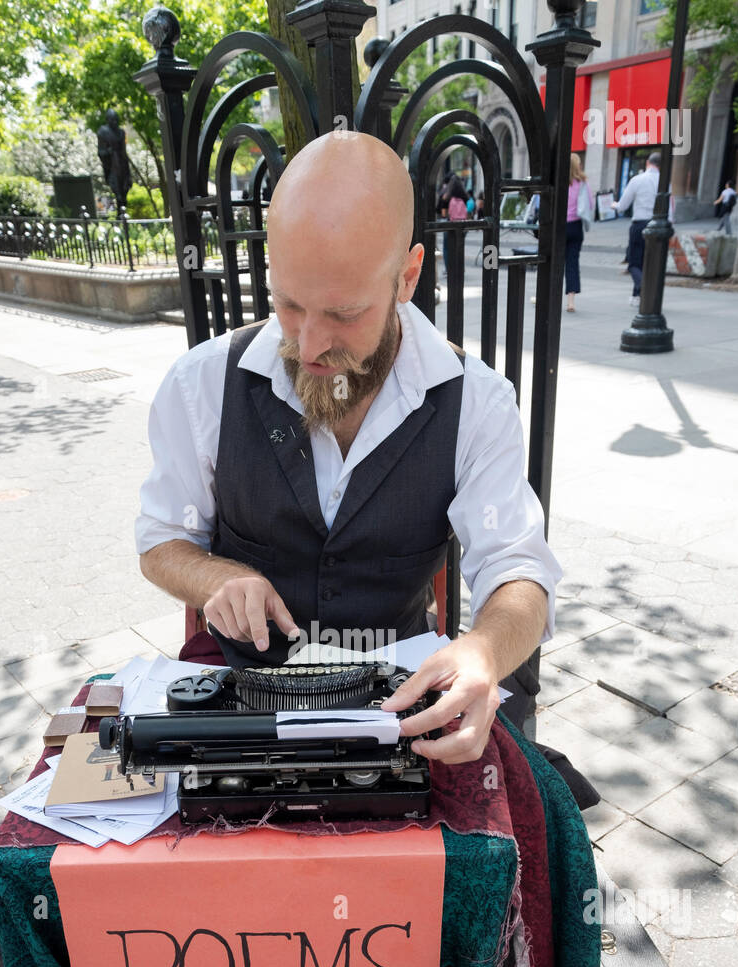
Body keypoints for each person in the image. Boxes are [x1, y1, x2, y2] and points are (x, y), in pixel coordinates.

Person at [135, 131, 562, 767]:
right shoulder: (201, 385)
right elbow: (160, 541)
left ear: (407, 277)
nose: (309, 346)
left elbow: (520, 572)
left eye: (343, 314)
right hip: (245, 694)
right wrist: (214, 574)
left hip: (400, 697)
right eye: (287, 303)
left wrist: (482, 651)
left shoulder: (476, 401)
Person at [611, 151, 673, 307]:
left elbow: (623, 205)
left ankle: (642, 288)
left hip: (640, 224)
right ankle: (637, 295)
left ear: (647, 163)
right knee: (649, 263)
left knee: (634, 263)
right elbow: (671, 209)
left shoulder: (637, 180)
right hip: (659, 225)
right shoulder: (666, 183)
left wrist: (614, 205)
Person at [564, 153, 592, 313]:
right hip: (576, 226)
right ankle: (571, 302)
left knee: (555, 263)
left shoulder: (560, 182)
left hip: (560, 227)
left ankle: (549, 295)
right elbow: (590, 204)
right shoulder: (582, 183)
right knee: (572, 263)